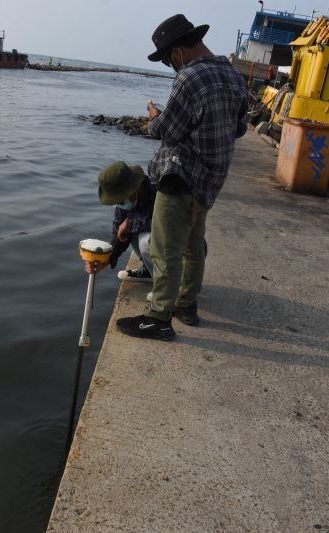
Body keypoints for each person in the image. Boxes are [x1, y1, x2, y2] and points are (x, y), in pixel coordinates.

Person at [115, 14, 248, 341]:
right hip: (210, 182)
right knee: (192, 246)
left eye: (166, 60)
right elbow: (241, 128)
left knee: (164, 249)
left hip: (180, 177)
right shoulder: (234, 76)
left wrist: (154, 118)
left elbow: (169, 130)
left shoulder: (189, 77)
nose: (170, 66)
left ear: (176, 53)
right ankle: (186, 306)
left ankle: (158, 319)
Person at [85, 161, 156, 290]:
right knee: (127, 232)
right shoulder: (125, 203)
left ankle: (166, 284)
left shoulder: (159, 192)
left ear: (135, 187)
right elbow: (118, 236)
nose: (119, 205)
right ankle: (150, 271)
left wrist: (129, 223)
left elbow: (161, 223)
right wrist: (105, 261)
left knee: (146, 240)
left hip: (181, 247)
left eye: (120, 200)